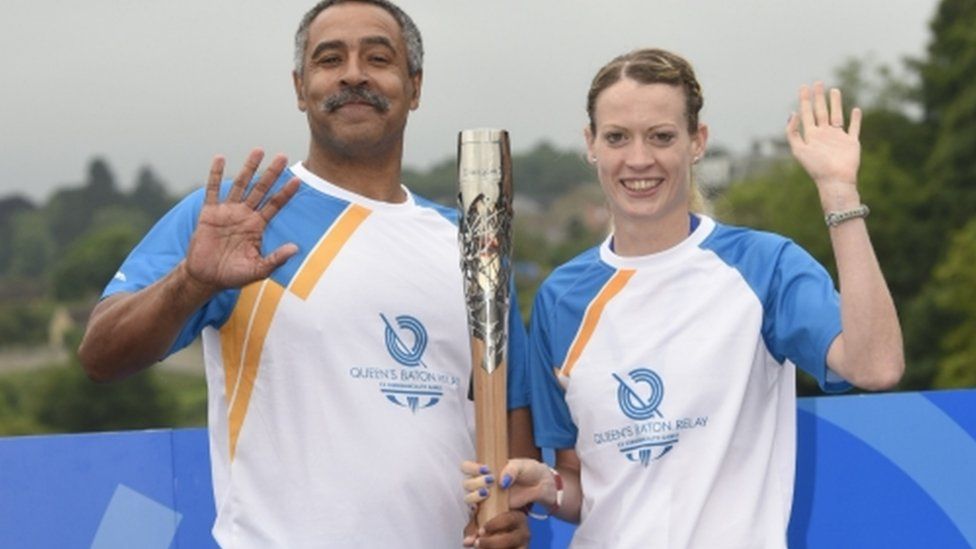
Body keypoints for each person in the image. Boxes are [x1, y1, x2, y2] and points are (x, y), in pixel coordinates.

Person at [78, 1, 534, 547]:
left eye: (378, 58)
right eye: (329, 59)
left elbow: (511, 423)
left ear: (414, 86)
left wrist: (509, 517)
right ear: (301, 88)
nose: (354, 74)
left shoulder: (472, 246)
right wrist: (191, 284)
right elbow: (101, 356)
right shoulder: (237, 217)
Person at [462, 48, 904, 548]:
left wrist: (839, 192)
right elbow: (582, 486)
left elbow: (876, 366)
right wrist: (547, 485)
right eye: (616, 137)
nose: (638, 159)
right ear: (591, 145)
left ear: (698, 142)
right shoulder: (560, 298)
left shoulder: (763, 266)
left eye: (662, 136)